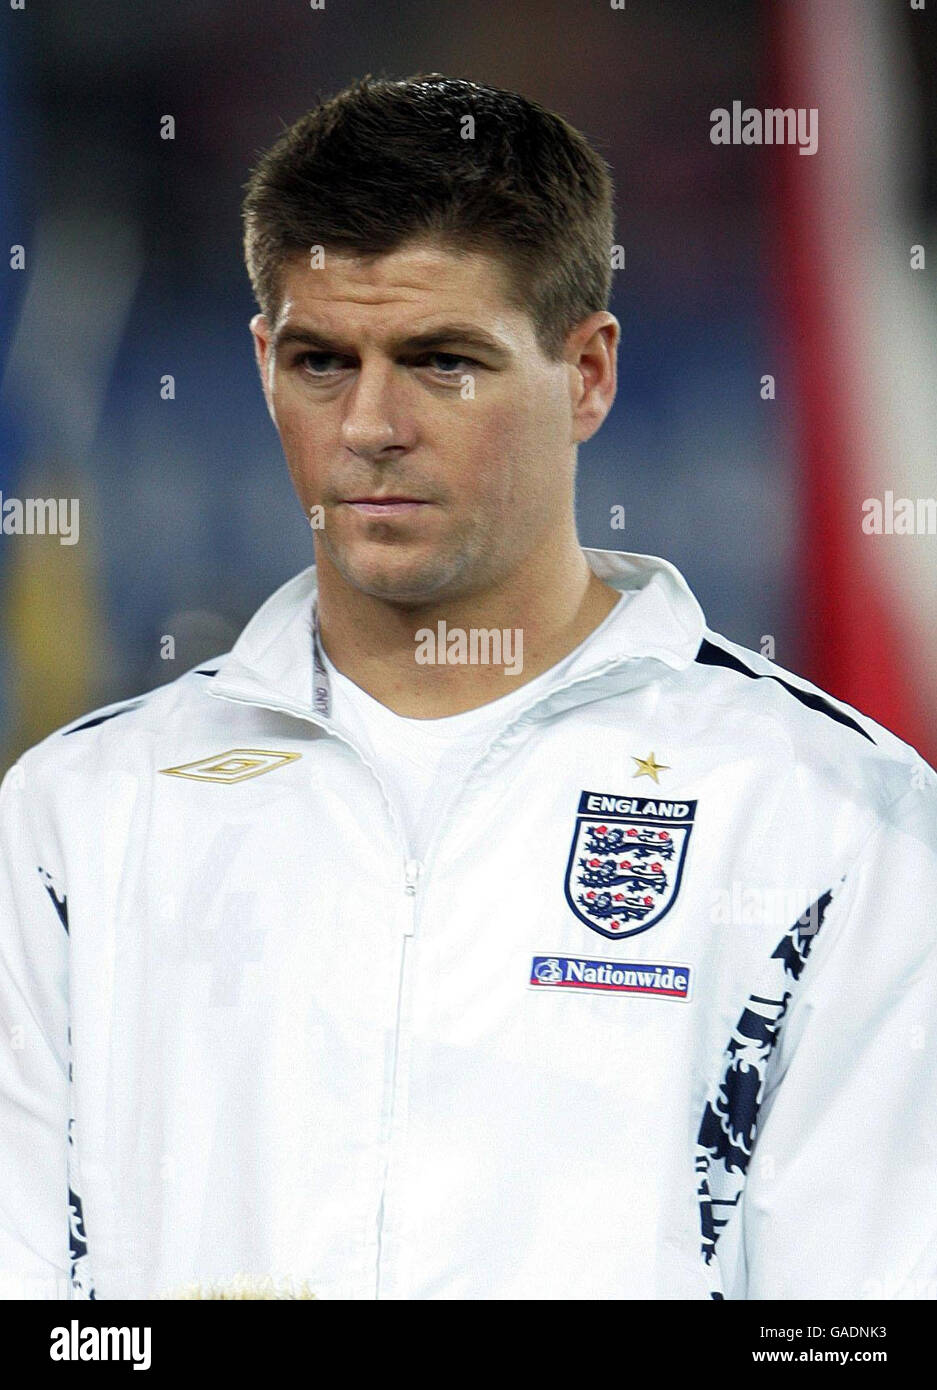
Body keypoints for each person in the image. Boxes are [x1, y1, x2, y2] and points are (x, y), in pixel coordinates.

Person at [1, 73, 935, 1302]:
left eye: (441, 361)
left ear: (587, 373)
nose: (371, 424)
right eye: (320, 360)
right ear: (261, 364)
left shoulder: (836, 815)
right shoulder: (74, 816)